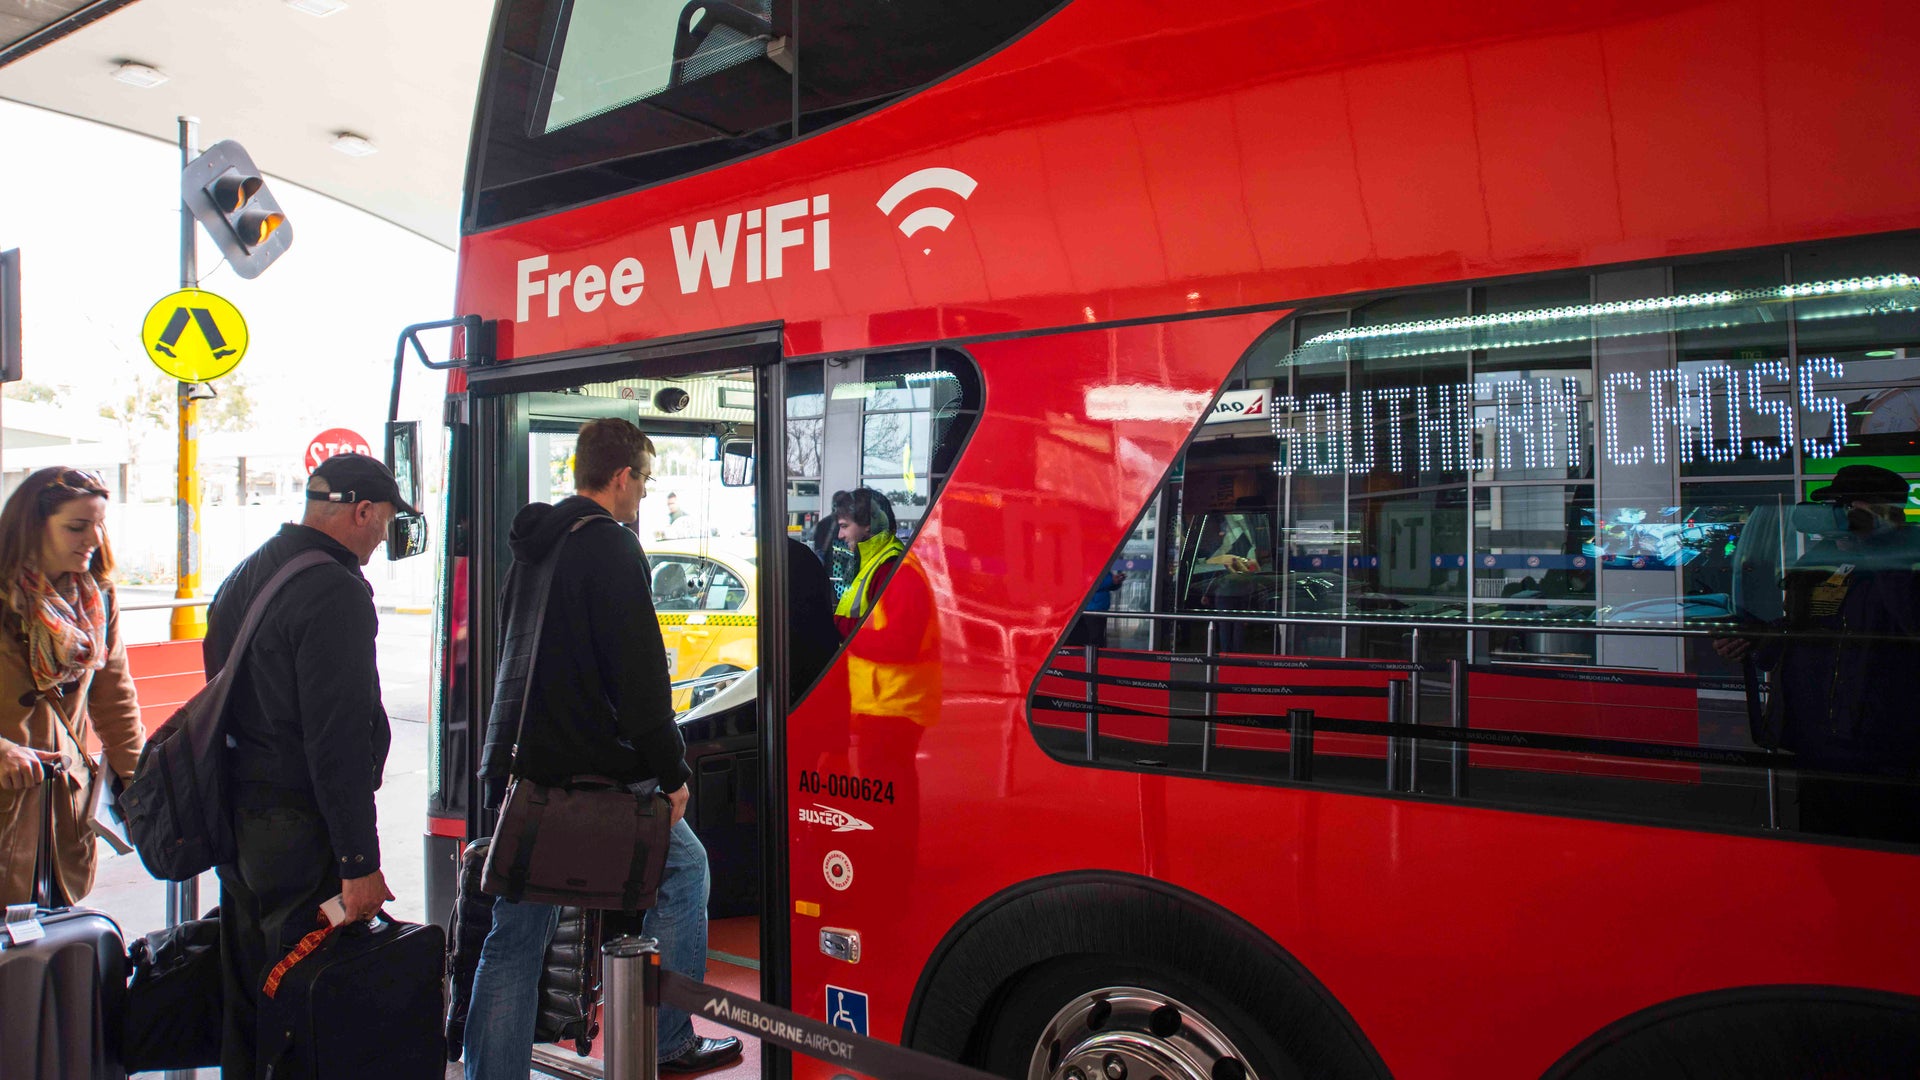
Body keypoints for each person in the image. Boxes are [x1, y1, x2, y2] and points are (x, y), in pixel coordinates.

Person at [466, 418, 740, 1079]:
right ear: (621, 477)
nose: (644, 493)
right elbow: (642, 683)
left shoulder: (535, 550)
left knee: (517, 932)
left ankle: (491, 1072)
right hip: (605, 777)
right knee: (685, 872)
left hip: (533, 776)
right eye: (643, 479)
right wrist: (671, 772)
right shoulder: (613, 548)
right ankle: (669, 1039)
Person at [207, 453, 407, 1077]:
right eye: (384, 523)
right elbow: (337, 740)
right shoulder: (335, 591)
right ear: (361, 510)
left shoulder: (249, 573)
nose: (382, 537)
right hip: (299, 830)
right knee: (306, 997)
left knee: (249, 994)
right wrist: (358, 864)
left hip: (241, 823)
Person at [1713, 464, 1920, 843]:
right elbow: (1800, 627)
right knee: (1825, 848)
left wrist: (1881, 548)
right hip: (1817, 739)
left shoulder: (1909, 555)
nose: (1836, 521)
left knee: (1889, 854)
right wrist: (1753, 639)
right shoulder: (1820, 559)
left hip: (1887, 743)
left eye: (1848, 511)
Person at [0, 467, 144, 906]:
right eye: (77, 527)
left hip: (63, 809)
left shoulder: (97, 596)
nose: (94, 539)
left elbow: (116, 699)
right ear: (32, 527)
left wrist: (138, 788)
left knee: (52, 953)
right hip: (8, 801)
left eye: (99, 525)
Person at [831, 488, 905, 635]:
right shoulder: (870, 560)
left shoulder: (888, 566)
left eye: (844, 526)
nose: (840, 535)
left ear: (868, 524)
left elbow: (883, 629)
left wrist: (832, 624)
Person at [1064, 569, 1125, 648]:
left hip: (1098, 608)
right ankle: (1091, 657)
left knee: (1096, 637)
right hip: (1090, 609)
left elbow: (1105, 585)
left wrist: (1116, 582)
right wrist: (1111, 581)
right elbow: (1090, 582)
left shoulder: (1102, 567)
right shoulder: (1089, 564)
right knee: (1092, 639)